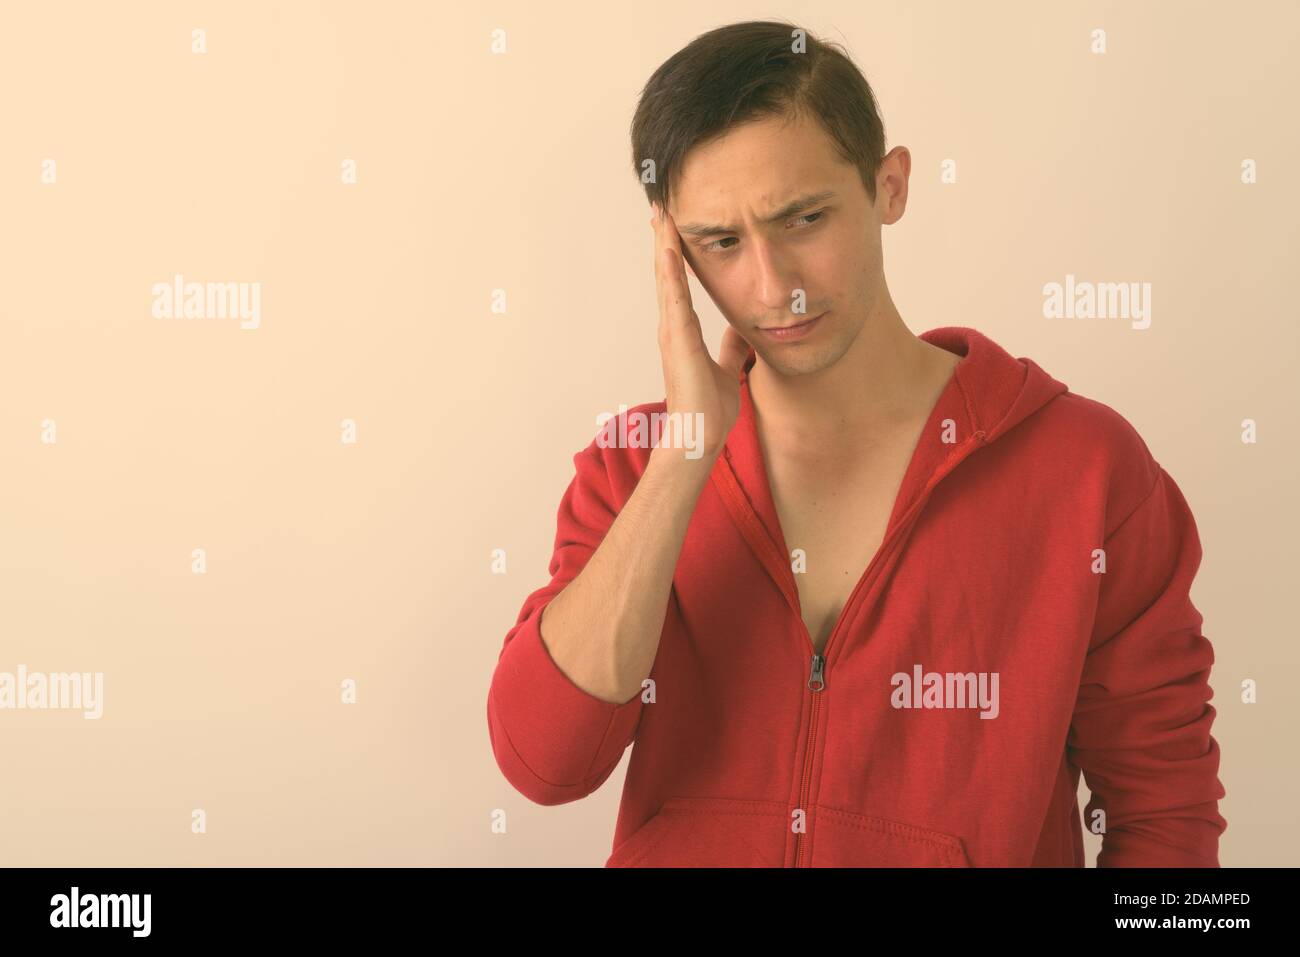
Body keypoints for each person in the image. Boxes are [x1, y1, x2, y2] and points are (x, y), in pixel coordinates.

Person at [486, 19, 1226, 867]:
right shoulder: (633, 466)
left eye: (803, 218)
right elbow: (543, 763)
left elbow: (1169, 819)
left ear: (890, 186)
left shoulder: (1087, 472)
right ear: (672, 250)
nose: (774, 287)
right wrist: (686, 454)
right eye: (720, 243)